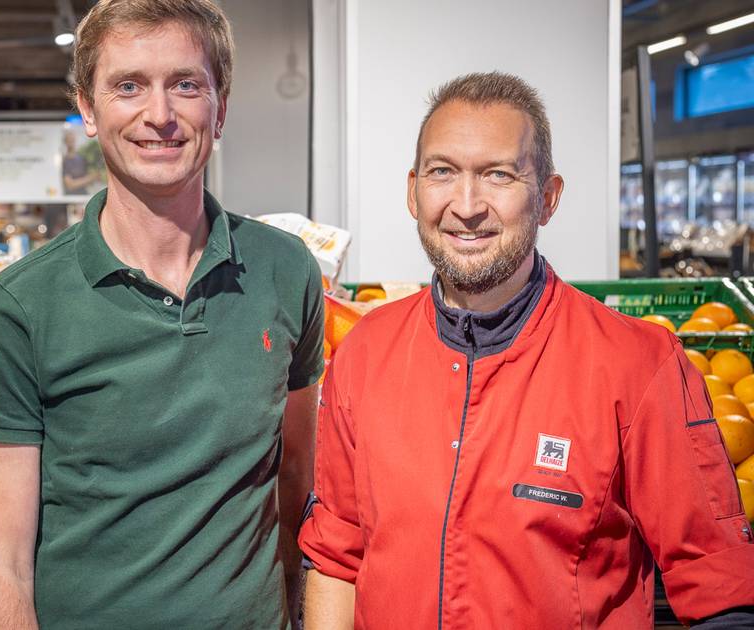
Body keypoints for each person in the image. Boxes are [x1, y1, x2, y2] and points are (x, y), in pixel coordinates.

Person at [298, 72, 754, 628]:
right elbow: (336, 558)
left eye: (499, 175)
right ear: (413, 192)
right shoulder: (365, 352)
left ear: (548, 198)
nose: (466, 206)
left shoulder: (638, 364)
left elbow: (719, 588)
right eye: (443, 172)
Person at [0, 0, 324, 628]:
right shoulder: (16, 309)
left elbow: (294, 477)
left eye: (186, 85)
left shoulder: (287, 272)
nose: (160, 115)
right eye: (129, 86)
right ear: (89, 110)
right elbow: (0, 571)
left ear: (221, 107)